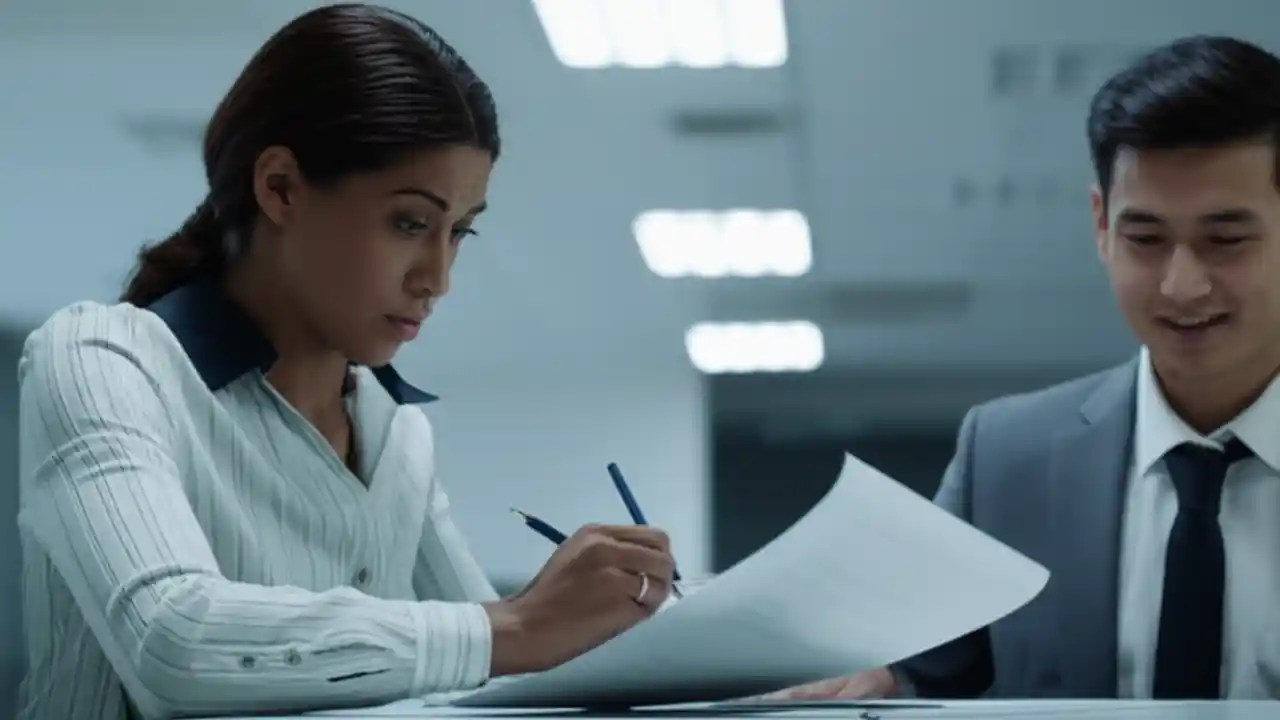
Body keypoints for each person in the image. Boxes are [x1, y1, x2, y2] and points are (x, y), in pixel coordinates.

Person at [14, 5, 676, 719]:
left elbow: (492, 674)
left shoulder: (396, 433)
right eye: (410, 224)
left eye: (459, 233)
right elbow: (176, 641)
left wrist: (728, 676)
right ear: (281, 189)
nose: (437, 278)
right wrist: (515, 625)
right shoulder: (102, 362)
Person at [775, 35, 1280, 701]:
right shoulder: (1008, 458)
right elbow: (909, 672)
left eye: (1226, 240)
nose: (1181, 285)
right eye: (1146, 239)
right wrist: (858, 678)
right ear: (1100, 224)